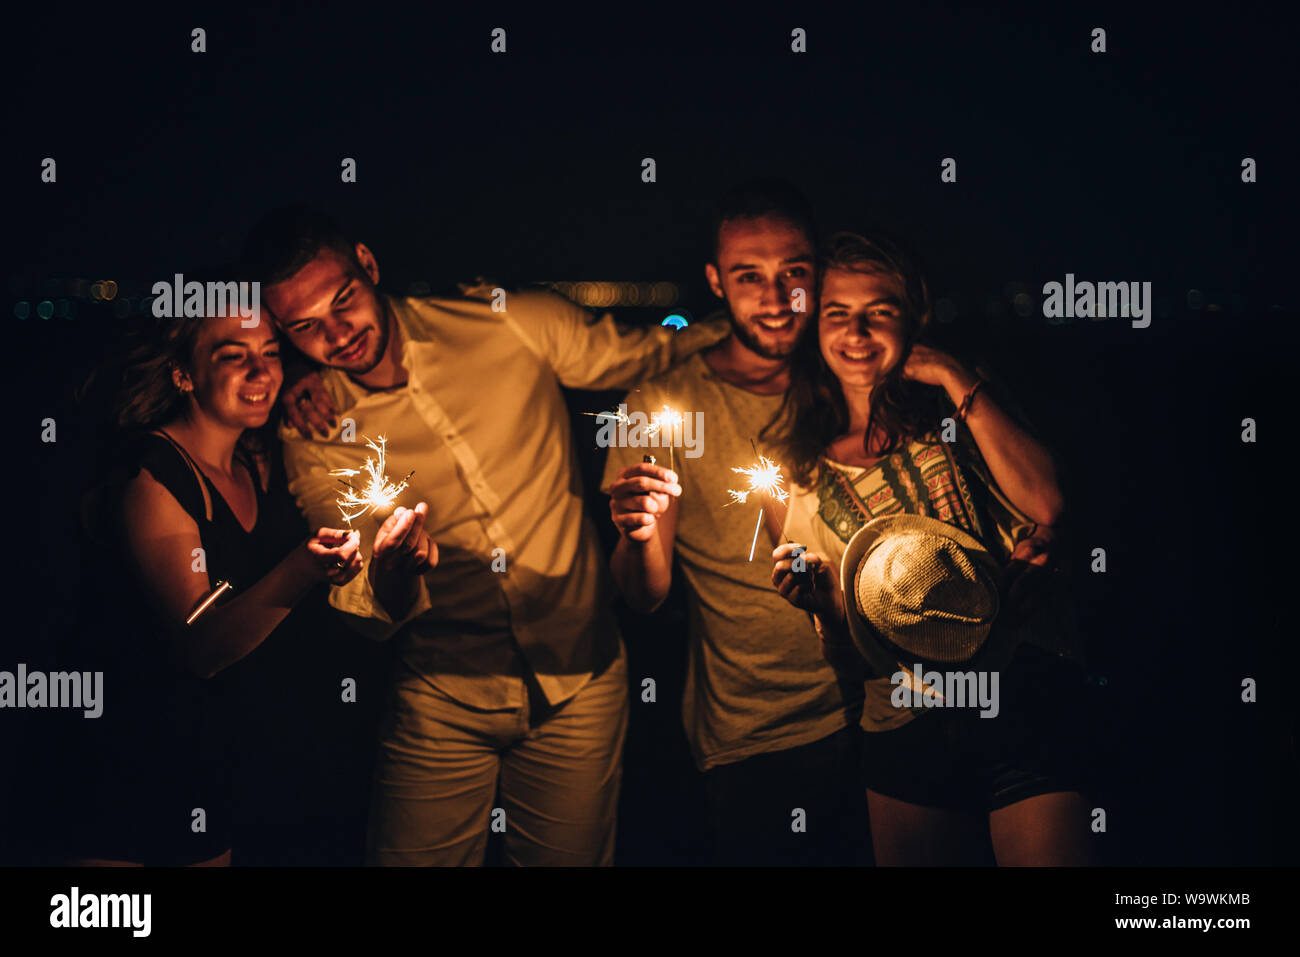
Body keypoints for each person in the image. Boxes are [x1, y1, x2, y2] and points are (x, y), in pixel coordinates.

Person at [244, 206, 729, 865]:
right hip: (442, 690)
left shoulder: (508, 320)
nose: (337, 333)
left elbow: (651, 352)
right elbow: (357, 589)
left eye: (344, 300)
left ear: (369, 263)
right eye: (304, 327)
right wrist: (392, 569)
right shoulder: (316, 428)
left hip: (581, 676)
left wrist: (768, 325)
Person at [769, 231, 1096, 865]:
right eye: (837, 314)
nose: (857, 332)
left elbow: (1049, 503)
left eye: (878, 311)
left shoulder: (961, 407)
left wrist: (952, 374)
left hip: (1027, 692)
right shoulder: (799, 471)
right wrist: (823, 609)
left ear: (912, 316)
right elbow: (847, 658)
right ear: (816, 327)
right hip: (905, 723)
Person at [603, 181, 869, 865]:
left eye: (795, 273)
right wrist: (639, 532)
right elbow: (646, 593)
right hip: (756, 732)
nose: (777, 298)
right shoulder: (662, 399)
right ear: (715, 280)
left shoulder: (856, 375)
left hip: (888, 709)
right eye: (750, 276)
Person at [60, 283, 363, 866]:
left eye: (271, 353)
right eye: (233, 355)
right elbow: (202, 645)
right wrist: (302, 568)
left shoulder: (257, 456)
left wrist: (301, 377)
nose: (261, 372)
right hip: (127, 766)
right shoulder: (153, 478)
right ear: (182, 373)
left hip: (215, 761)